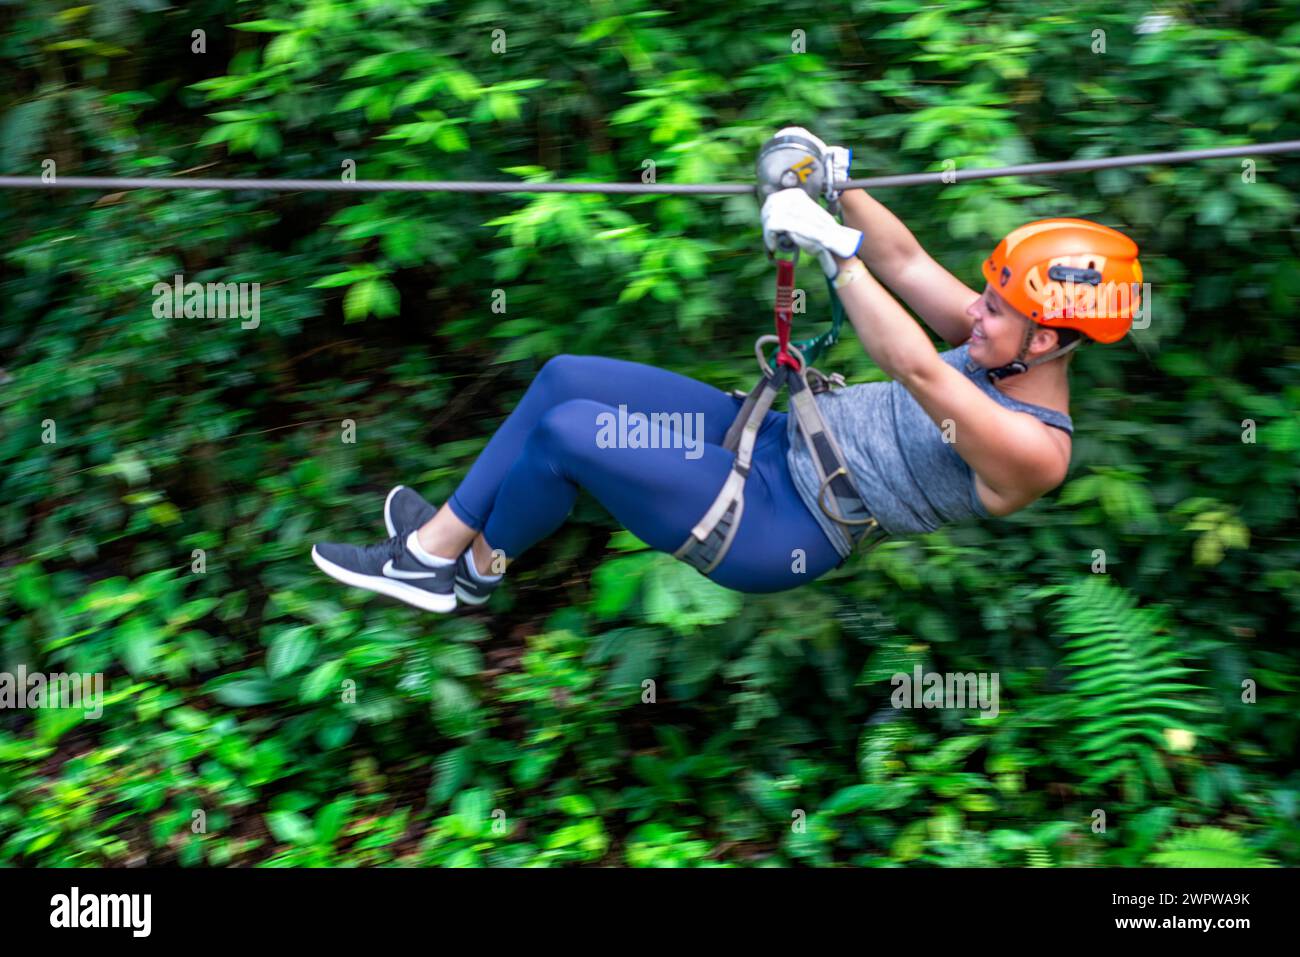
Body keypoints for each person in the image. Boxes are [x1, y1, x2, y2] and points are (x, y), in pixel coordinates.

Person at [310, 128, 1143, 612]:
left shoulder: (1037, 452)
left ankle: (475, 569)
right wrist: (836, 182)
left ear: (1050, 343)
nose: (978, 310)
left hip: (782, 522)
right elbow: (910, 259)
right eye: (988, 294)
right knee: (564, 378)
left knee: (567, 437)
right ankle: (433, 553)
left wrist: (832, 252)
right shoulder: (1003, 333)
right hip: (776, 437)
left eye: (999, 308)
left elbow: (920, 371)